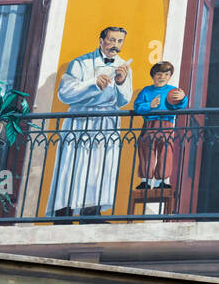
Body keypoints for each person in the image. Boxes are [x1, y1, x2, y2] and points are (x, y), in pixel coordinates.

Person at [47, 27, 132, 219]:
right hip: (80, 121)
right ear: (101, 41)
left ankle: (91, 214)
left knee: (100, 169)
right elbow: (65, 93)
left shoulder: (124, 67)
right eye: (112, 40)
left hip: (107, 122)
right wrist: (92, 84)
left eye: (119, 41)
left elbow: (124, 100)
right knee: (72, 167)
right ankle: (64, 214)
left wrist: (120, 82)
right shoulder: (80, 63)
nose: (116, 45)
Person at [133, 61, 188, 190]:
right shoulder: (146, 91)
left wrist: (183, 98)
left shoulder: (172, 90)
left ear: (170, 76)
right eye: (159, 74)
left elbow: (178, 106)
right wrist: (149, 105)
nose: (162, 77)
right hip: (149, 125)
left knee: (166, 152)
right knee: (146, 152)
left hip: (166, 125)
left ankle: (161, 181)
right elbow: (137, 107)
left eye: (166, 74)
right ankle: (145, 181)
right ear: (153, 76)